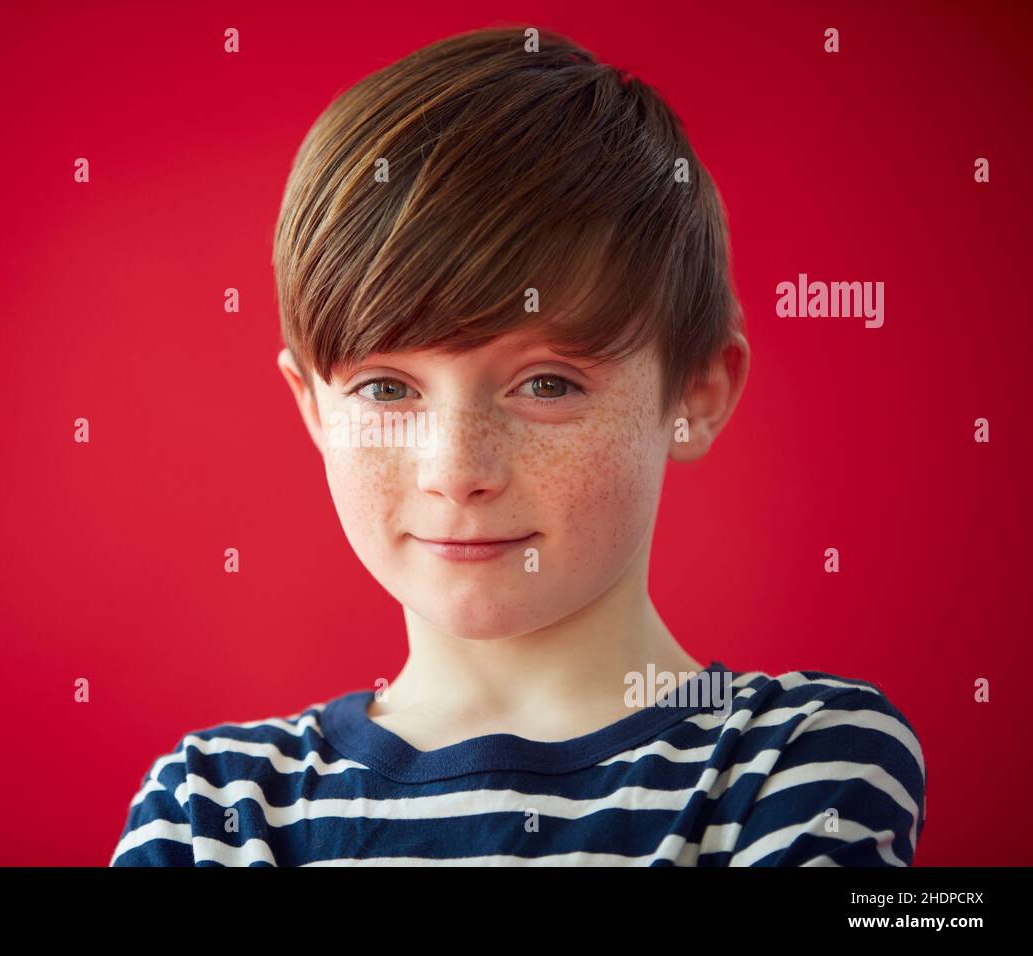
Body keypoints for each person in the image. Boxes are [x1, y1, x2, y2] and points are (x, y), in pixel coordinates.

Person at [111, 25, 925, 866]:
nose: (456, 471)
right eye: (387, 389)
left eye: (547, 385)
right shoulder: (213, 808)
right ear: (313, 408)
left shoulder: (796, 763)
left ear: (696, 394)